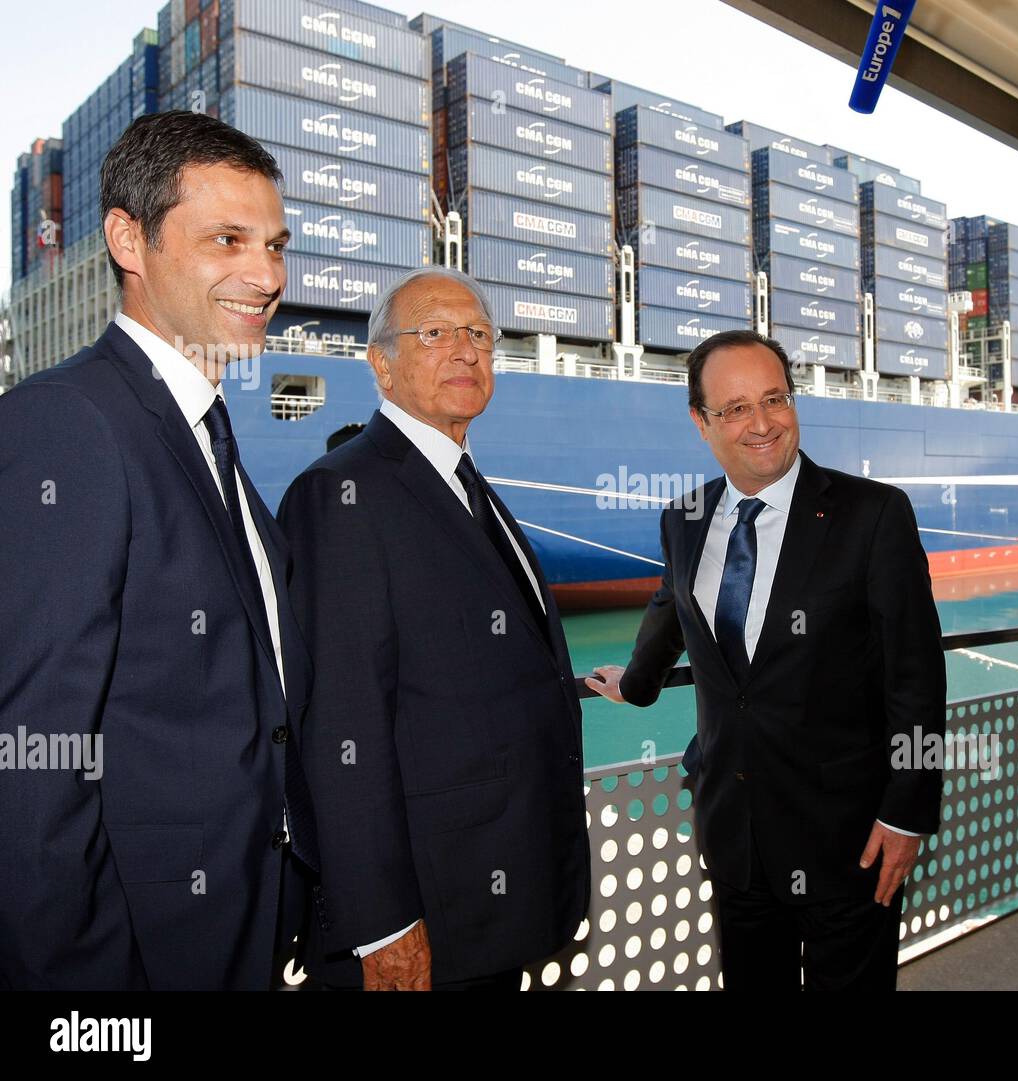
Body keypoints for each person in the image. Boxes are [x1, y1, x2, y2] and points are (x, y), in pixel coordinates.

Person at [0, 111, 318, 990]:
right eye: (228, 240)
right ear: (127, 240)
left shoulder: (207, 435)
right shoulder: (68, 424)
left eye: (274, 243)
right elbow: (31, 755)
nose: (267, 275)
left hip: (247, 937)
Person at [586, 329, 946, 991]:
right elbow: (672, 607)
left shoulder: (873, 514)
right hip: (734, 830)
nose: (762, 423)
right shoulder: (685, 516)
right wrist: (635, 685)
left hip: (851, 835)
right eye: (736, 408)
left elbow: (916, 677)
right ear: (701, 422)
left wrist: (907, 814)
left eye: (774, 399)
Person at [277, 267, 590, 991]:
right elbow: (339, 729)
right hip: (422, 918)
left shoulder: (467, 486)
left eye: (479, 334)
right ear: (381, 364)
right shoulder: (340, 495)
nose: (466, 350)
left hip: (491, 904)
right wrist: (381, 922)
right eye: (435, 333)